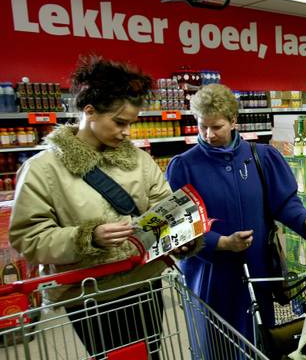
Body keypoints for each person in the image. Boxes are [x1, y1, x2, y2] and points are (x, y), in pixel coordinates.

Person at [10, 56, 197, 359]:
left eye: (131, 124)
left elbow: (164, 208)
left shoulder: (139, 160)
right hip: (90, 294)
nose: (126, 133)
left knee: (151, 353)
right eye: (119, 122)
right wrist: (88, 237)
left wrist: (184, 232)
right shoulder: (42, 170)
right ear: (89, 111)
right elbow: (28, 238)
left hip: (143, 281)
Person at [165, 83, 306, 343]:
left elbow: (283, 202)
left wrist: (305, 219)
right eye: (201, 126)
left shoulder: (261, 157)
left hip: (257, 269)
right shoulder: (183, 166)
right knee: (218, 343)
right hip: (211, 276)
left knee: (260, 338)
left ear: (233, 121)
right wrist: (221, 242)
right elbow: (177, 226)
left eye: (216, 127)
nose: (208, 134)